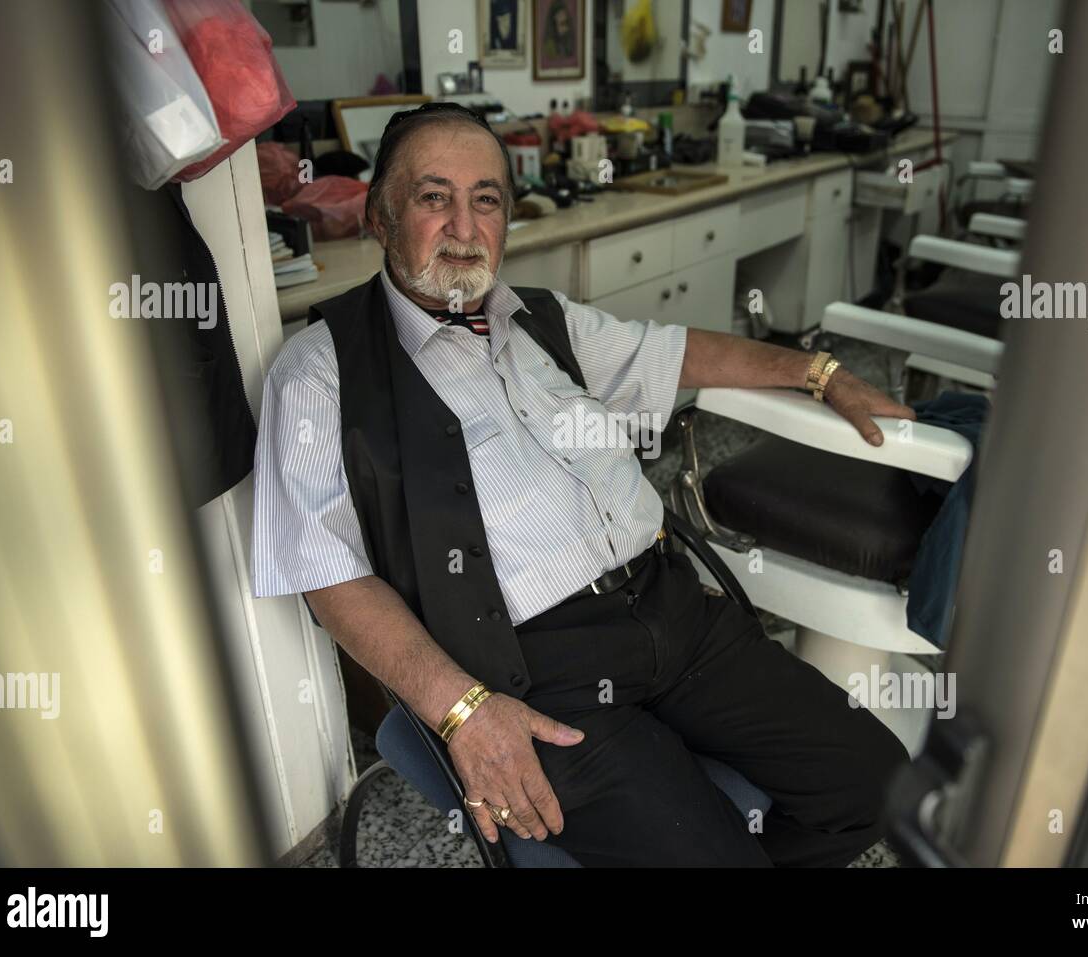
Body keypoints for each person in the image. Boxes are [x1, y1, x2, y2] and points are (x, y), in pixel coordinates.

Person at [252, 103, 914, 866]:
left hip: (675, 612)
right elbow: (329, 575)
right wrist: (463, 709)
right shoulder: (322, 372)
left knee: (878, 786)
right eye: (434, 197)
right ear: (380, 215)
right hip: (537, 673)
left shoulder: (541, 320)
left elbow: (679, 352)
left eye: (488, 198)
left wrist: (817, 370)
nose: (465, 226)